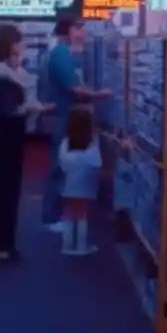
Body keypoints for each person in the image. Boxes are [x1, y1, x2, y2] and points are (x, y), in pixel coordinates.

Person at [0, 23, 50, 261]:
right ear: (9, 44)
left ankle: (1, 241)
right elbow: (9, 109)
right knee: (8, 189)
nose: (23, 45)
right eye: (20, 41)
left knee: (7, 189)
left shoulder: (1, 72)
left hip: (9, 135)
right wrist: (32, 107)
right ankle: (2, 244)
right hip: (9, 135)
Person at [39, 15, 109, 233]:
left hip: (67, 116)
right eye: (80, 29)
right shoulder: (60, 54)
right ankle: (52, 218)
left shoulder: (63, 53)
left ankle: (58, 216)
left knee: (64, 166)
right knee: (59, 167)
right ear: (69, 31)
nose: (84, 34)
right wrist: (99, 94)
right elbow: (74, 88)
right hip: (64, 117)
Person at [58, 106, 101, 256]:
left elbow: (62, 164)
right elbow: (97, 163)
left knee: (69, 214)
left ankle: (67, 245)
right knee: (82, 214)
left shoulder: (66, 143)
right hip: (86, 185)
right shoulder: (92, 144)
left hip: (69, 183)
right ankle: (81, 246)